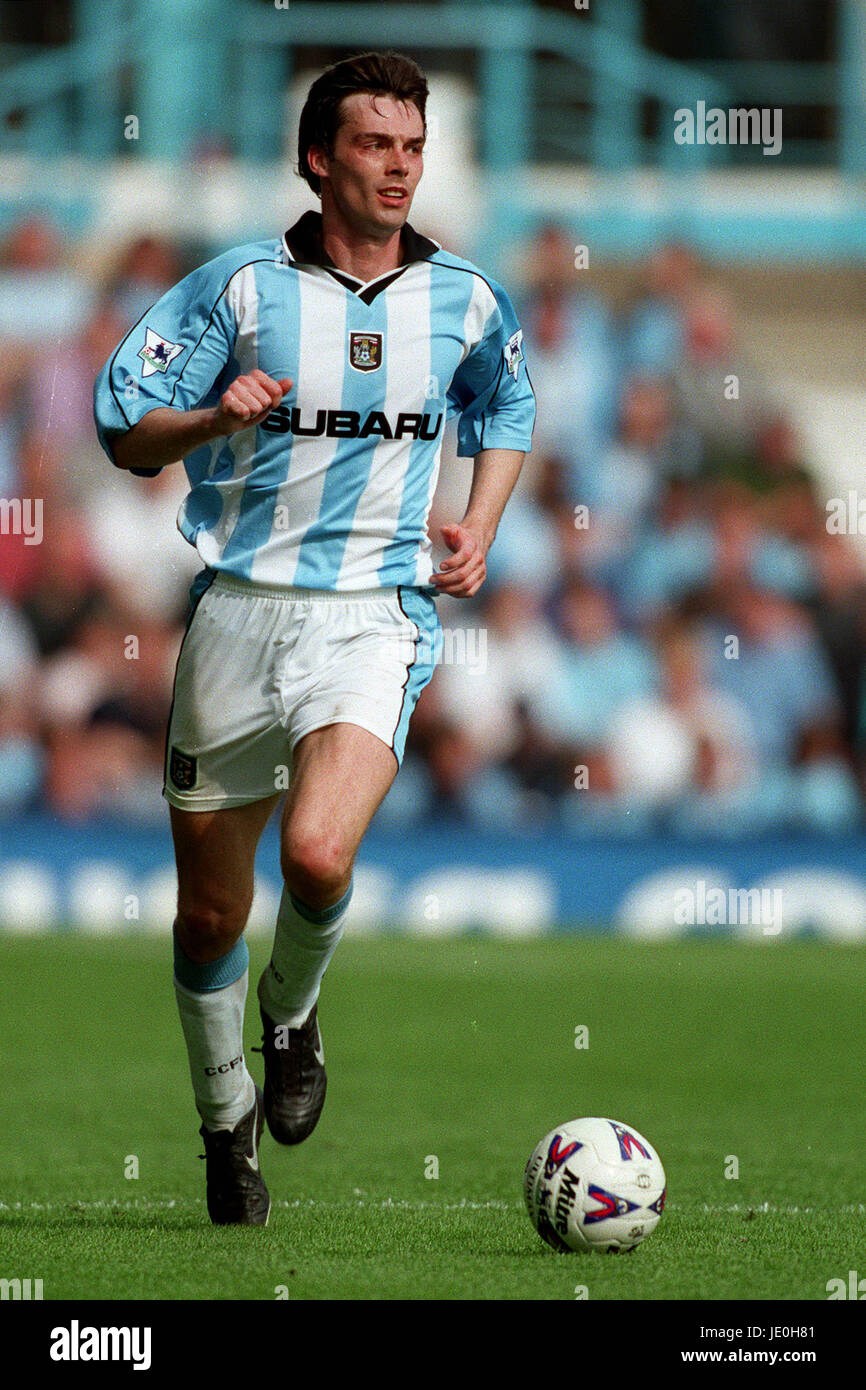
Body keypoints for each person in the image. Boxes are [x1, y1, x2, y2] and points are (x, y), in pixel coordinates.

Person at [92, 51, 535, 1225]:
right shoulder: (240, 290)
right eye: (374, 144)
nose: (399, 168)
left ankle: (290, 1015)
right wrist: (210, 416)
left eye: (412, 147)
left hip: (373, 616)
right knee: (206, 916)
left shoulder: (464, 299)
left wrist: (480, 523)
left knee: (321, 855)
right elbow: (124, 430)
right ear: (317, 158)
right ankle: (222, 1123)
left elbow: (507, 405)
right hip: (238, 615)